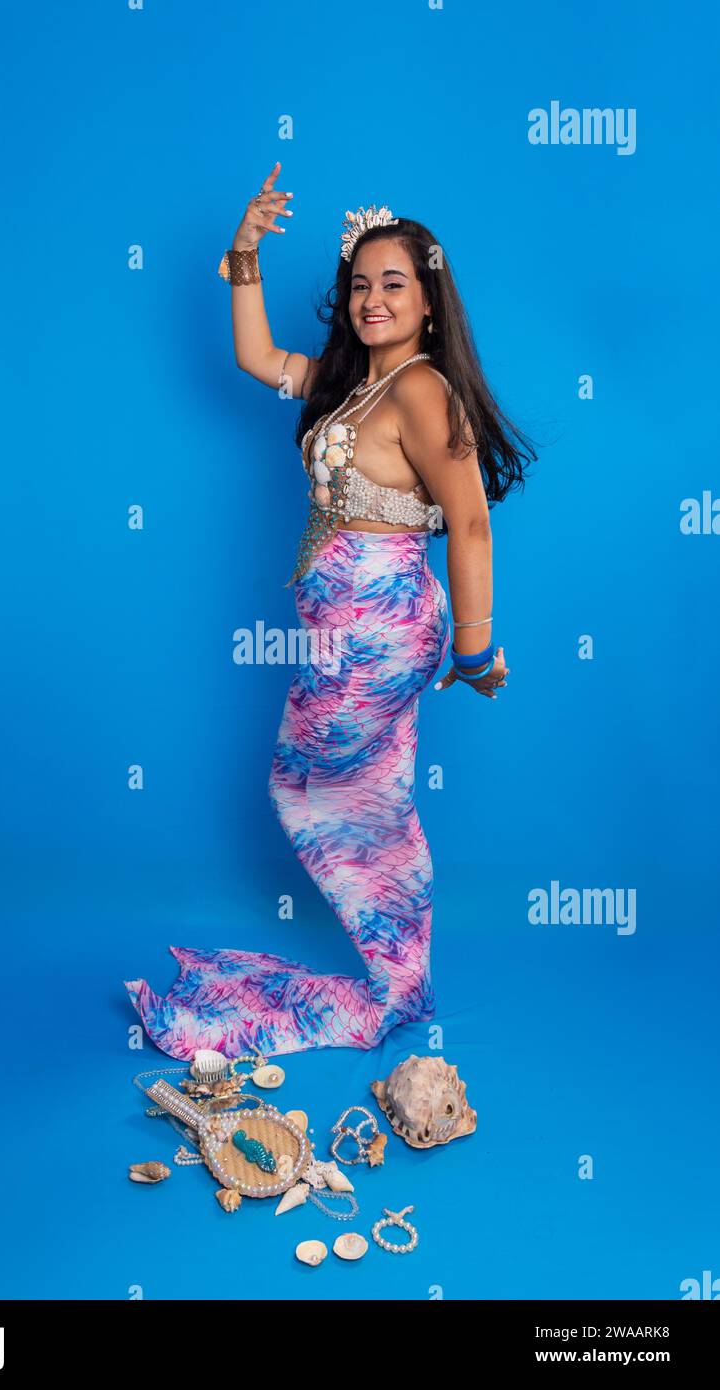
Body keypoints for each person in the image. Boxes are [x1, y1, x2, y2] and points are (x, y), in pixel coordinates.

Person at [125, 163, 535, 1059]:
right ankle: (402, 974)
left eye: (394, 283)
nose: (372, 298)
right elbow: (255, 358)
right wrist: (243, 255)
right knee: (360, 794)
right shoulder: (354, 390)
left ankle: (395, 981)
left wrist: (473, 654)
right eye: (359, 284)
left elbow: (467, 521)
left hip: (378, 636)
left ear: (428, 300)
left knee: (334, 793)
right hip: (340, 636)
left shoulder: (423, 389)